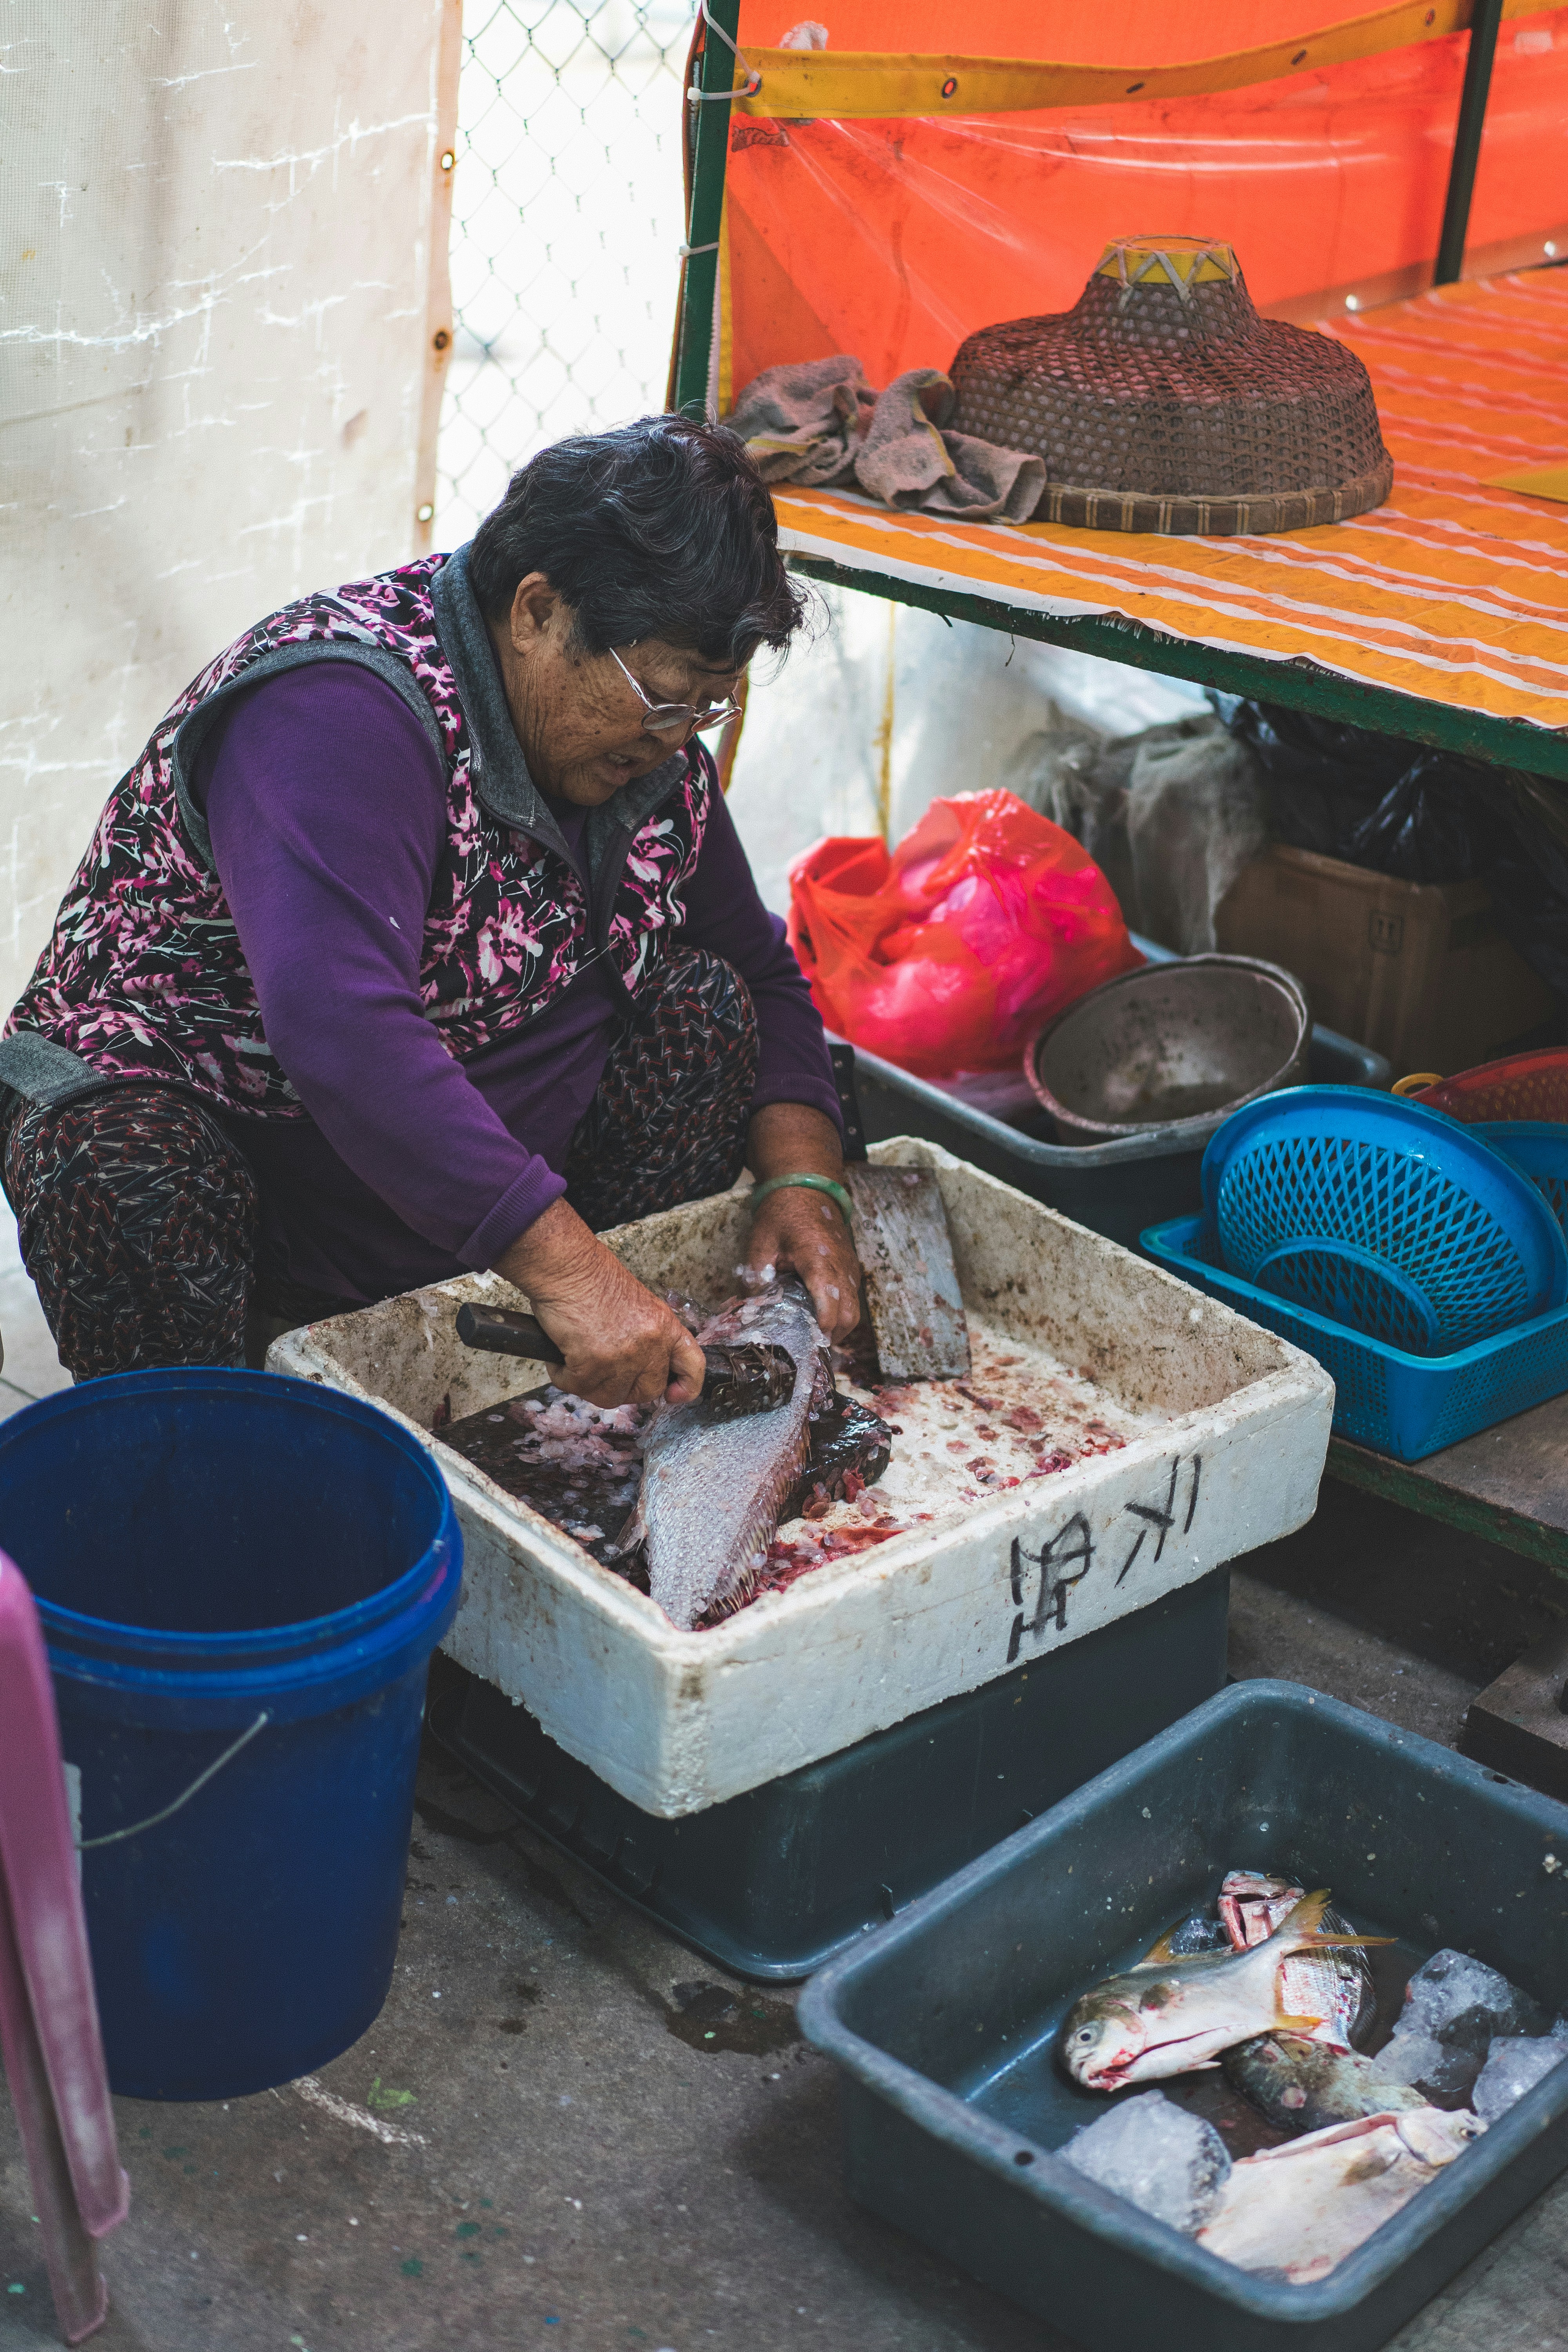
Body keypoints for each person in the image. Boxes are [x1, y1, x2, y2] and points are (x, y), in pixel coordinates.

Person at [0, 416, 862, 1403]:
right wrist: (570, 1271)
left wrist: (805, 1175)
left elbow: (755, 966)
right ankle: (229, 1416)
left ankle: (590, 1385)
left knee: (705, 1007)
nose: (675, 740)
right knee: (109, 1162)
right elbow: (340, 1029)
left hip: (480, 1192)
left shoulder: (638, 753)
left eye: (705, 709)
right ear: (536, 610)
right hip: (264, 1180)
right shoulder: (339, 712)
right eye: (660, 695)